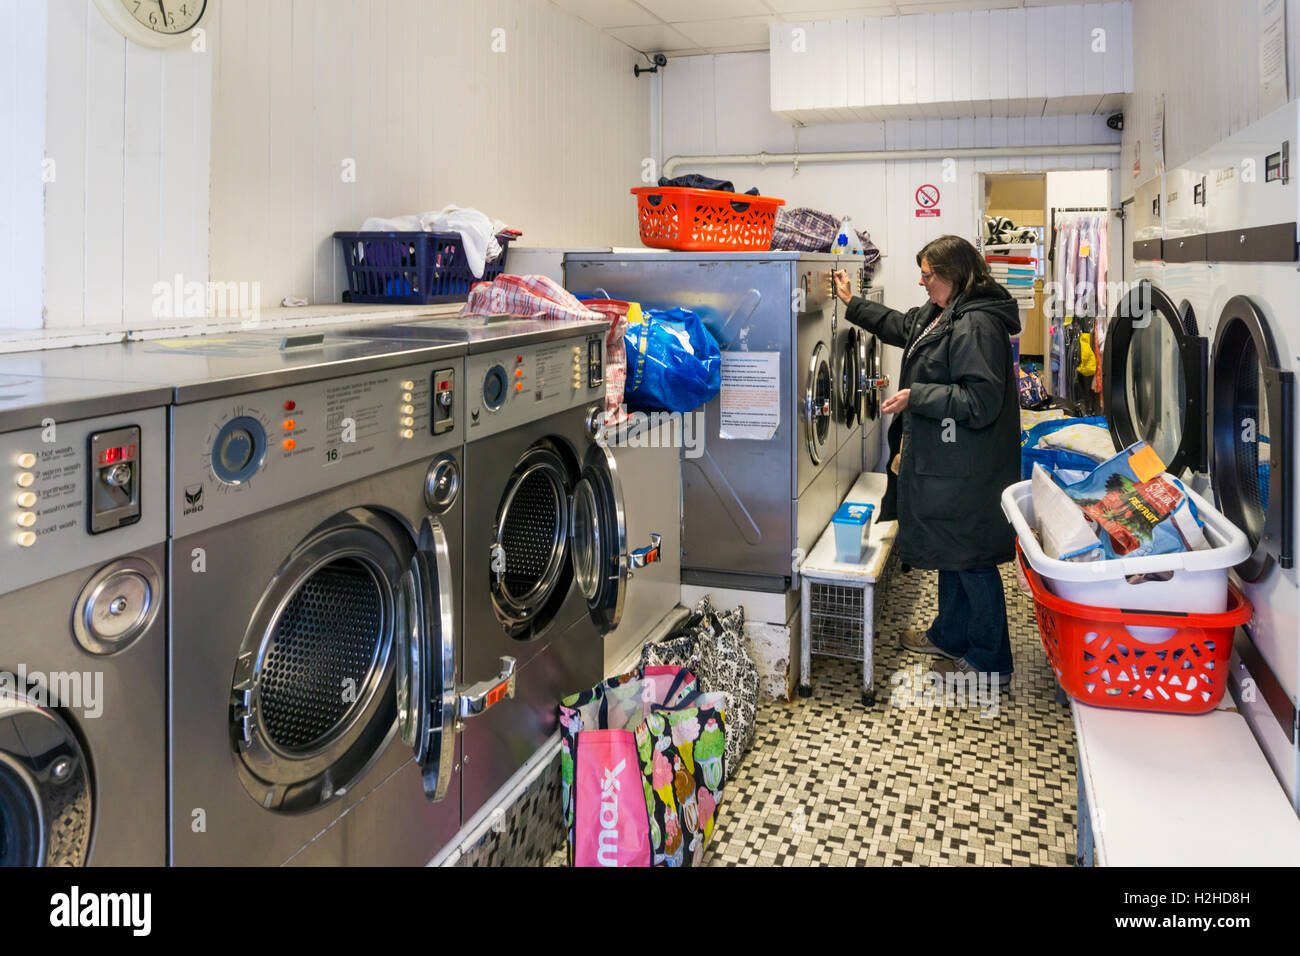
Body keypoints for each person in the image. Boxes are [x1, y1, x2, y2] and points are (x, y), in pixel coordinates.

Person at [833, 235, 1021, 687]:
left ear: (953, 276)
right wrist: (851, 302)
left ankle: (990, 659)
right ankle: (949, 636)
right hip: (950, 461)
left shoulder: (976, 325)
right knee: (951, 549)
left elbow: (981, 400)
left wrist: (918, 395)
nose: (921, 282)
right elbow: (902, 326)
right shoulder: (945, 311)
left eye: (928, 274)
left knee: (971, 557)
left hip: (971, 466)